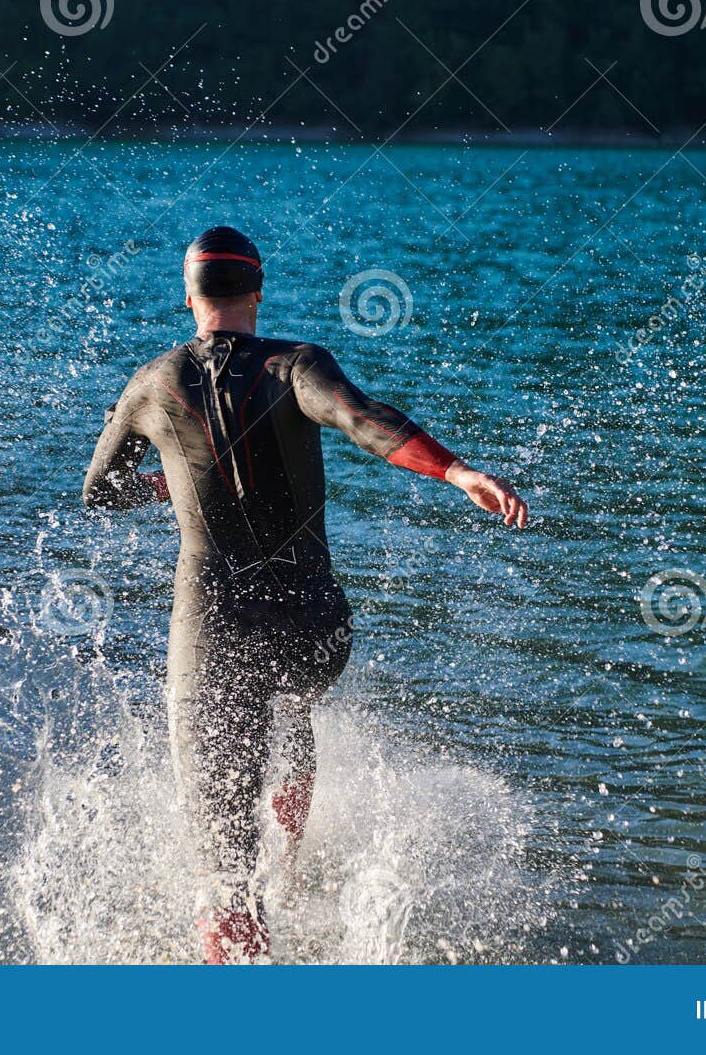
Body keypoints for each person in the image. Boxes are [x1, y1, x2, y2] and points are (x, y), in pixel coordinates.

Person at [82, 226, 527, 963]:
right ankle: (283, 861)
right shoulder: (297, 365)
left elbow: (100, 492)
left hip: (213, 626)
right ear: (258, 291)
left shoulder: (150, 385)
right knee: (287, 700)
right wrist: (456, 473)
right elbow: (363, 419)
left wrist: (166, 483)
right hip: (312, 625)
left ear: (189, 296)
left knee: (220, 861)